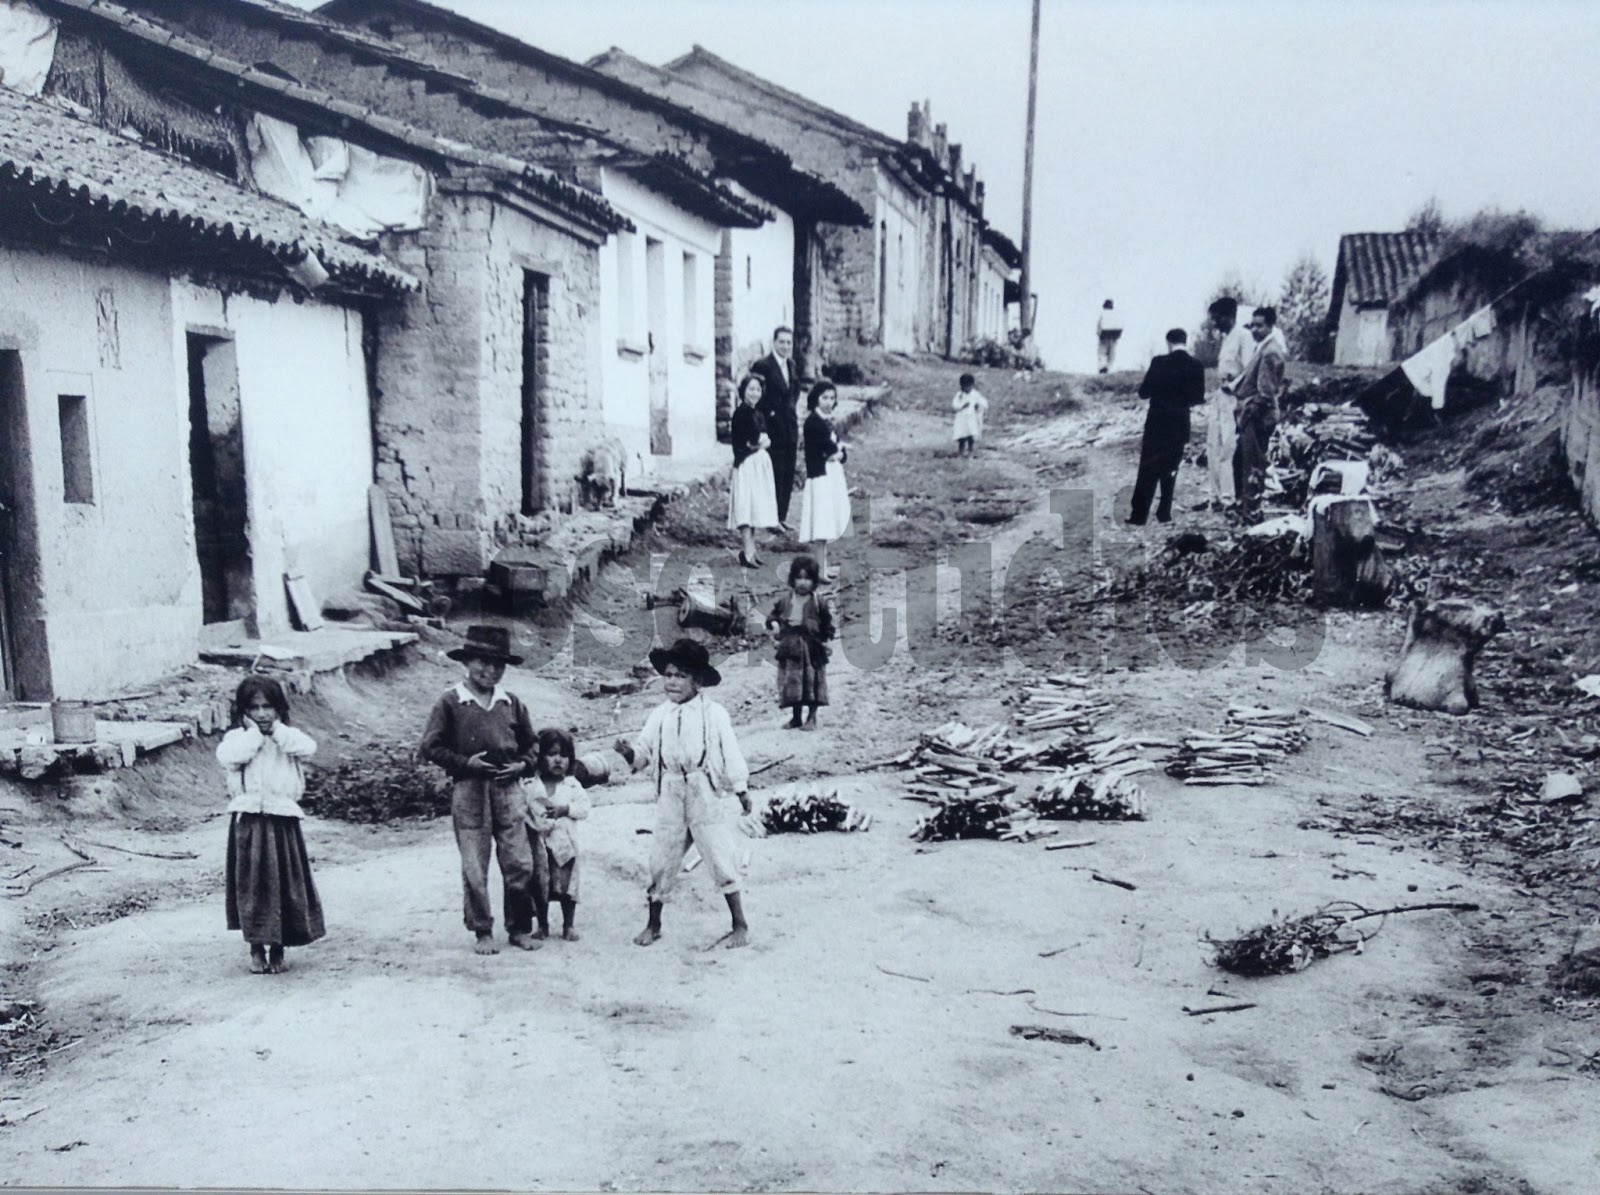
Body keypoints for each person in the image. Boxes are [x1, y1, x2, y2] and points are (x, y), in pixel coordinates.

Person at [614, 638, 753, 950]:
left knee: (718, 854)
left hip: (703, 789)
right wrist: (628, 752)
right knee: (662, 857)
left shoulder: (714, 713)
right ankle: (654, 922)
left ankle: (739, 923)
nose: (672, 681)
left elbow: (730, 751)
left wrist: (741, 788)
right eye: (668, 674)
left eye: (680, 676)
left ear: (697, 681)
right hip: (671, 791)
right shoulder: (659, 715)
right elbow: (644, 753)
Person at [420, 624, 541, 955]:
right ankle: (482, 930)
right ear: (467, 662)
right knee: (475, 864)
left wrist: (523, 765)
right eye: (482, 662)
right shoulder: (451, 702)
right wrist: (464, 763)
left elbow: (532, 744)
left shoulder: (511, 703)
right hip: (470, 791)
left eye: (498, 664)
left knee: (519, 861)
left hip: (509, 788)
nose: (490, 670)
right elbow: (431, 747)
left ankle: (519, 927)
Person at [218, 675, 324, 974]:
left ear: (279, 709)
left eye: (269, 707)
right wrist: (254, 734)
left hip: (282, 821)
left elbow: (308, 748)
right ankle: (255, 947)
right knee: (252, 887)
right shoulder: (237, 740)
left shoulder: (287, 738)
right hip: (249, 820)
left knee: (284, 885)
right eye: (255, 708)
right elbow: (229, 758)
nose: (262, 714)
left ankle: (278, 948)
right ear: (244, 711)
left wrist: (277, 731)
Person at [1128, 328, 1207, 526]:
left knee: (1148, 467)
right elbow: (1198, 398)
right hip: (1180, 422)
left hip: (1157, 421)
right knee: (1171, 467)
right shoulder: (1196, 365)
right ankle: (1164, 512)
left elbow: (1144, 393)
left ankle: (1139, 515)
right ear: (1185, 341)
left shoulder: (1158, 362)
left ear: (1168, 342)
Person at [524, 727, 589, 942]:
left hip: (565, 847)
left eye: (563, 755)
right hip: (541, 846)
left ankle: (568, 925)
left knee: (567, 887)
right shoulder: (532, 786)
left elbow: (584, 808)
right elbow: (525, 810)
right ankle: (542, 925)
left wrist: (565, 810)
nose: (558, 760)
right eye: (551, 755)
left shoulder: (572, 785)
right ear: (540, 758)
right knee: (541, 885)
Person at [1227, 305, 1289, 521]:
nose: (1254, 329)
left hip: (1258, 416)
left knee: (1253, 462)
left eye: (1259, 325)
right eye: (1252, 325)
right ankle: (1243, 505)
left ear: (1270, 326)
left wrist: (1247, 413)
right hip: (1252, 413)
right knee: (1241, 459)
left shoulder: (1270, 352)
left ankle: (1252, 512)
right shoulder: (1262, 347)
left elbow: (1265, 393)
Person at [766, 554, 835, 731]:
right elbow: (773, 616)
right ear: (793, 579)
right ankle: (796, 717)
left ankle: (812, 718)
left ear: (814, 581)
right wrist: (774, 624)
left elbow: (827, 624)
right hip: (791, 647)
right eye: (799, 578)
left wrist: (825, 641)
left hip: (813, 647)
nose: (803, 583)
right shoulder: (785, 600)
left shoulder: (819, 602)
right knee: (793, 682)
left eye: (808, 578)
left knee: (814, 682)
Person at [797, 380, 852, 579]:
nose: (829, 402)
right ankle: (818, 570)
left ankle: (822, 566)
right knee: (820, 525)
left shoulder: (825, 421)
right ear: (816, 399)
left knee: (826, 522)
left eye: (832, 398)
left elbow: (838, 452)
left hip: (829, 474)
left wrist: (839, 452)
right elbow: (829, 451)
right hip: (820, 476)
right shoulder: (814, 423)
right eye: (824, 398)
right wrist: (839, 452)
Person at [750, 326, 801, 528]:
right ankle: (770, 518)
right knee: (774, 472)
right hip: (772, 428)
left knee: (788, 472)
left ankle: (781, 516)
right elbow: (756, 398)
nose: (786, 346)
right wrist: (762, 424)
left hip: (789, 427)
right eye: (782, 342)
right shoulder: (763, 365)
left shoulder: (792, 365)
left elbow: (794, 393)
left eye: (789, 342)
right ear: (774, 342)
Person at [727, 374, 779, 568]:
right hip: (748, 464)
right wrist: (761, 443)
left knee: (755, 507)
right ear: (743, 391)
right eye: (751, 389)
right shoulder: (741, 413)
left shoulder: (757, 413)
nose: (754, 393)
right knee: (746, 507)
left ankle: (752, 550)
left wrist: (763, 441)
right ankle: (747, 552)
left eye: (758, 389)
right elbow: (750, 442)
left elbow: (765, 438)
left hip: (759, 465)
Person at [1205, 297, 1252, 508]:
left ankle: (1228, 497)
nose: (1215, 323)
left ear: (1228, 316)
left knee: (1227, 448)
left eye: (1217, 319)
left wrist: (1234, 387)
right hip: (1220, 396)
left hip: (1235, 397)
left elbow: (1250, 369)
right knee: (1212, 445)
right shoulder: (1226, 339)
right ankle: (1214, 496)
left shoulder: (1243, 336)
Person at [950, 373, 989, 457]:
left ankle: (970, 451)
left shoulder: (975, 395)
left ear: (972, 385)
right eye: (965, 386)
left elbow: (984, 404)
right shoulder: (960, 395)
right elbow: (955, 405)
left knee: (971, 436)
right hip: (962, 419)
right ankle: (961, 451)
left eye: (969, 386)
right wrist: (962, 406)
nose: (967, 388)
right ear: (962, 386)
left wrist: (978, 407)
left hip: (972, 418)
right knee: (962, 437)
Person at [1095, 299, 1123, 373]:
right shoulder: (1115, 315)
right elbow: (1120, 326)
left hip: (1104, 337)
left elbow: (1098, 328)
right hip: (1113, 338)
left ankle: (1103, 368)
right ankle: (1108, 369)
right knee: (1111, 354)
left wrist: (1099, 335)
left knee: (1102, 353)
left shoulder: (1103, 315)